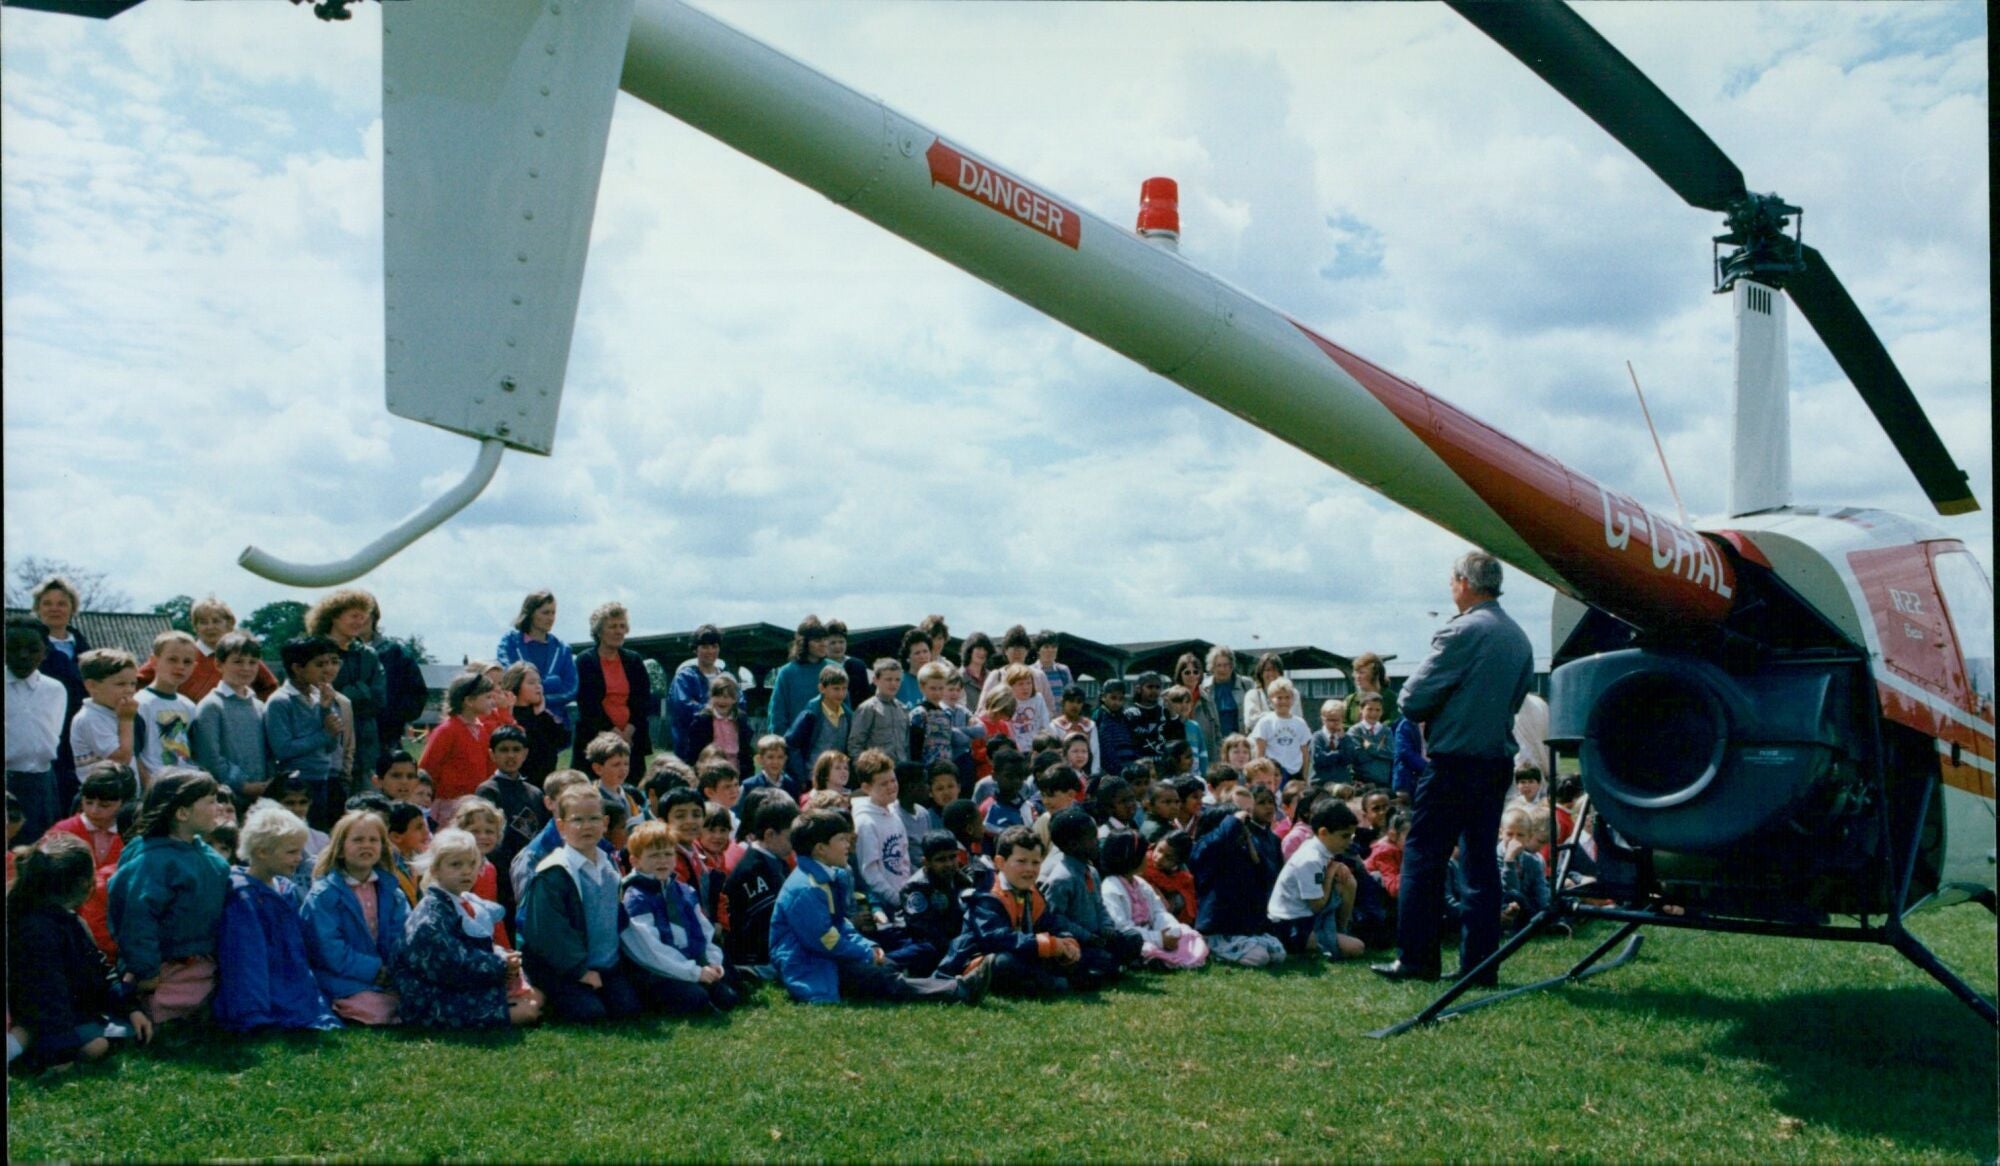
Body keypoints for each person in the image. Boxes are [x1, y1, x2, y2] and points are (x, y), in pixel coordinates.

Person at [1373, 550, 1534, 986]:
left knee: (1424, 857)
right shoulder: (1519, 637)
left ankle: (1417, 959)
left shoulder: (1461, 630)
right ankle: (1480, 966)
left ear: (1464, 582)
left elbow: (1411, 700)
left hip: (1454, 762)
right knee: (1480, 864)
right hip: (1495, 761)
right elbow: (1516, 699)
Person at [768, 809, 990, 1006]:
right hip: (809, 964)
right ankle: (958, 990)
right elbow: (825, 940)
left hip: (824, 957)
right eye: (841, 839)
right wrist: (865, 953)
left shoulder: (826, 877)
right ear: (820, 849)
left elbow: (840, 924)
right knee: (881, 978)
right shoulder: (806, 889)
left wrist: (869, 947)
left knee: (885, 968)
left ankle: (948, 984)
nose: (848, 844)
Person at [7, 833, 153, 1073]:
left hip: (66, 1012)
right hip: (39, 1018)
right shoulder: (36, 930)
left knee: (114, 1034)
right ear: (83, 883)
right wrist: (60, 1052)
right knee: (96, 1045)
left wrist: (131, 1008)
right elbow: (47, 997)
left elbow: (102, 972)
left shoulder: (69, 921)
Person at [106, 770, 231, 1024]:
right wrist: (147, 971)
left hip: (200, 957)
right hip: (167, 965)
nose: (219, 808)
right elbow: (137, 921)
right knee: (166, 1010)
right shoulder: (152, 861)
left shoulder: (200, 852)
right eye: (211, 802)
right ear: (182, 813)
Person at [395, 827, 543, 1028]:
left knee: (536, 997)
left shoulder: (461, 901)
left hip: (457, 986)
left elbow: (471, 947)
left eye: (472, 864)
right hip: (430, 997)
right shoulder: (431, 916)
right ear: (435, 869)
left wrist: (503, 955)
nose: (466, 871)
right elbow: (452, 964)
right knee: (527, 1011)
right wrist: (500, 964)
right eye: (456, 864)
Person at [938, 825, 1112, 996]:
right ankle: (1054, 982)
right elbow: (996, 938)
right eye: (1021, 861)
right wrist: (1049, 945)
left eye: (1035, 862)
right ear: (1000, 863)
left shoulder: (1031, 891)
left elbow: (1051, 922)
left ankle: (1056, 979)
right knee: (1006, 963)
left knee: (1094, 956)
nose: (1030, 869)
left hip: (1022, 951)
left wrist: (1067, 940)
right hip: (981, 959)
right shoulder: (988, 894)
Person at [214, 802, 341, 1032]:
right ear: (262, 852)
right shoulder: (243, 896)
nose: (299, 858)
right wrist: (252, 1012)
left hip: (289, 975)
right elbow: (246, 958)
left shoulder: (284, 888)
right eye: (291, 852)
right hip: (262, 983)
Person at [521, 784, 641, 1022]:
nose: (587, 826)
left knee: (628, 1009)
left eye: (594, 818)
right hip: (564, 966)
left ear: (605, 823)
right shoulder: (554, 872)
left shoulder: (608, 865)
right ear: (561, 826)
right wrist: (580, 970)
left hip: (605, 964)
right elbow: (549, 931)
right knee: (590, 1013)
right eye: (577, 820)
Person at [619, 820, 740, 1015]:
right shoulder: (636, 898)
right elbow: (650, 951)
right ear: (635, 861)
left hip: (688, 963)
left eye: (668, 854)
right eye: (654, 855)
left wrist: (712, 962)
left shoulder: (684, 890)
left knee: (729, 996)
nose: (662, 861)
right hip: (655, 970)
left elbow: (704, 931)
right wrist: (694, 972)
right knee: (696, 998)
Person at [301, 808, 408, 1025]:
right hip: (340, 976)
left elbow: (402, 934)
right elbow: (329, 948)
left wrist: (392, 968)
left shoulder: (391, 891)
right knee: (378, 1008)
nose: (366, 845)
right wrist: (374, 970)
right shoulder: (325, 895)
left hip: (386, 975)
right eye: (358, 840)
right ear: (340, 849)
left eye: (373, 840)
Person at [1038, 808, 1143, 966]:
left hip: (1098, 936)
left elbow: (1100, 905)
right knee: (1100, 960)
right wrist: (1087, 936)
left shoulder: (1092, 872)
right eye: (1093, 838)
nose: (1098, 841)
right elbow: (1056, 920)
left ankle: (1116, 963)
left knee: (1133, 938)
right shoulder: (1062, 879)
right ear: (1073, 845)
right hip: (1078, 941)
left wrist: (1107, 926)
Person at [1189, 801, 1286, 968]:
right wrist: (1235, 819)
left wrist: (1250, 843)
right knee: (1259, 958)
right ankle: (1211, 949)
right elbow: (1219, 839)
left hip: (1245, 927)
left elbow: (1266, 875)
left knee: (1278, 955)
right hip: (1218, 928)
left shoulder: (1242, 850)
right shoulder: (1204, 847)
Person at [264, 636, 346, 829]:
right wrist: (325, 734)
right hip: (295, 786)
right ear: (298, 668)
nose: (326, 670)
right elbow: (283, 749)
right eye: (319, 665)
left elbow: (331, 746)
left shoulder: (320, 696)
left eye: (329, 663)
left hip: (322, 778)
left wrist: (325, 710)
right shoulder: (281, 701)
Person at [306, 590, 387, 785]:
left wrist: (344, 695)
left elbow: (379, 699)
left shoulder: (369, 655)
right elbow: (316, 695)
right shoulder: (313, 651)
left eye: (363, 616)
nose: (360, 622)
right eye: (354, 616)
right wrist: (360, 691)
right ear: (334, 616)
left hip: (365, 748)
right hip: (325, 744)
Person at [1267, 801, 1365, 960]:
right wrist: (1331, 872)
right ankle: (1312, 945)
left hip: (1308, 917)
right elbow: (1316, 906)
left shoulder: (1319, 848)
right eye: (1345, 836)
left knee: (1348, 881)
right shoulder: (1310, 859)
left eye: (1351, 836)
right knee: (1357, 948)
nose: (1349, 842)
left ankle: (1340, 931)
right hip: (1290, 924)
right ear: (1323, 832)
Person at [1098, 830, 1206, 969]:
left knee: (1188, 933)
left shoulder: (1140, 883)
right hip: (1136, 938)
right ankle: (1155, 959)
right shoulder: (1111, 887)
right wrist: (1159, 938)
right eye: (1144, 854)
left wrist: (1171, 930)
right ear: (1134, 859)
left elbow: (1158, 912)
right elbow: (1122, 927)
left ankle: (1164, 957)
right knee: (1140, 946)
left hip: (1154, 934)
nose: (1148, 857)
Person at [31, 576, 94, 813]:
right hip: (45, 727)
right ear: (38, 609)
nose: (54, 609)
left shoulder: (84, 647)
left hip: (80, 729)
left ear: (72, 609)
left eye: (61, 603)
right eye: (47, 603)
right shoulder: (30, 647)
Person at [6, 616, 68, 843]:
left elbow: (52, 735)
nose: (23, 655)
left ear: (45, 652)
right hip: (7, 781)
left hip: (42, 783)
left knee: (41, 849)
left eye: (32, 649)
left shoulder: (55, 689)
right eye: (14, 648)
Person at [720, 797, 797, 977]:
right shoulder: (752, 869)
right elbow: (765, 921)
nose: (795, 844)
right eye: (791, 837)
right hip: (753, 953)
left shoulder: (777, 860)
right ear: (770, 834)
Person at [572, 601, 654, 769]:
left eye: (622, 626)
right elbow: (587, 703)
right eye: (612, 626)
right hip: (595, 740)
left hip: (631, 740)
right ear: (599, 631)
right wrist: (613, 733)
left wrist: (628, 731)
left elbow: (643, 700)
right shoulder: (585, 661)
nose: (619, 631)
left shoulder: (634, 660)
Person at [191, 632, 270, 803]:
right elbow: (209, 758)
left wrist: (268, 783)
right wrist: (243, 785)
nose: (246, 668)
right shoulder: (212, 706)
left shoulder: (259, 706)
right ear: (219, 664)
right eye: (238, 662)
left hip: (262, 795)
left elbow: (268, 752)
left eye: (252, 662)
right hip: (227, 799)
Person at [418, 671, 499, 827]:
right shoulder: (447, 730)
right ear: (469, 701)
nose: (493, 701)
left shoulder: (482, 731)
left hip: (476, 803)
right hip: (449, 806)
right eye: (488, 697)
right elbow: (428, 768)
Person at [497, 590, 580, 731]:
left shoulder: (562, 649)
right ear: (530, 613)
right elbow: (509, 676)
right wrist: (552, 684)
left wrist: (543, 699)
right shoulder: (510, 642)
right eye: (545, 613)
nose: (551, 618)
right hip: (517, 721)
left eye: (553, 613)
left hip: (553, 723)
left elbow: (571, 688)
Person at [849, 749, 912, 912]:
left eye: (893, 780)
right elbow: (870, 872)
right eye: (883, 784)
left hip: (904, 897)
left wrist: (908, 892)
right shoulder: (865, 822)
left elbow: (904, 858)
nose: (891, 786)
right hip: (885, 905)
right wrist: (897, 899)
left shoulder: (894, 812)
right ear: (866, 787)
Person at [767, 616, 838, 737]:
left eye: (825, 639)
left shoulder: (836, 669)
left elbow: (845, 709)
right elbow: (777, 714)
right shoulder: (787, 673)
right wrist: (781, 741)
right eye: (817, 640)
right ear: (803, 643)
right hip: (795, 742)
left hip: (830, 741)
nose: (823, 644)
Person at [497, 662, 566, 785]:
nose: (538, 686)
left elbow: (561, 741)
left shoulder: (542, 714)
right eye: (531, 683)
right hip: (520, 783)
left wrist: (542, 714)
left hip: (546, 783)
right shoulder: (509, 715)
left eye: (539, 682)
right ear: (517, 686)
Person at [782, 665, 851, 787]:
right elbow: (791, 744)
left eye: (844, 689)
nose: (841, 693)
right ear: (822, 688)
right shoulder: (810, 715)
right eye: (836, 689)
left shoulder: (848, 716)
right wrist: (801, 778)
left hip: (838, 781)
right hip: (812, 780)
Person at [666, 624, 728, 757]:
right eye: (704, 646)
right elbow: (684, 708)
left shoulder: (727, 678)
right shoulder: (684, 678)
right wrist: (720, 709)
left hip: (724, 747)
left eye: (714, 646)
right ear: (695, 649)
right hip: (691, 749)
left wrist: (703, 706)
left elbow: (740, 706)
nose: (710, 651)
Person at [679, 672, 753, 772]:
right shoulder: (702, 721)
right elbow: (693, 752)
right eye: (717, 696)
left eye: (726, 697)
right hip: (710, 771)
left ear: (734, 699)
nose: (721, 700)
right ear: (711, 697)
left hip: (735, 771)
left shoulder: (740, 720)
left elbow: (746, 752)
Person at [1249, 677, 1313, 783]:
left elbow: (1305, 753)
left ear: (1292, 699)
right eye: (1279, 698)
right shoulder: (1266, 722)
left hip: (1295, 772)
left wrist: (1305, 776)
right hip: (1274, 772)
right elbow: (1260, 752)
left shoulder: (1300, 723)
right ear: (1270, 700)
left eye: (1287, 697)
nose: (1283, 701)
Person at [849, 660, 914, 764]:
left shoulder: (903, 709)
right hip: (877, 768)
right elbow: (855, 744)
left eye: (897, 680)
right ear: (876, 680)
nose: (893, 683)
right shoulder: (868, 708)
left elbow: (906, 745)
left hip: (901, 767)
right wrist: (864, 768)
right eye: (888, 679)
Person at [1200, 645, 1256, 743]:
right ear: (1212, 667)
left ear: (1231, 666)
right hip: (1216, 744)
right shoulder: (1204, 687)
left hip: (1242, 743)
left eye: (1226, 665)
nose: (1223, 669)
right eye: (1219, 665)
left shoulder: (1246, 684)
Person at [1347, 694, 1396, 788]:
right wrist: (1382, 752)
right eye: (1369, 709)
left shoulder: (1386, 731)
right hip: (1362, 782)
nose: (1374, 714)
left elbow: (1392, 754)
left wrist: (1370, 747)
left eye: (1378, 710)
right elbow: (1358, 757)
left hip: (1384, 783)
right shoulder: (1355, 731)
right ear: (1361, 710)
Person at [1310, 700, 1357, 788]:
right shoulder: (1317, 737)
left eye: (1337, 720)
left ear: (1342, 719)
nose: (1333, 723)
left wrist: (1342, 740)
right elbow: (1319, 759)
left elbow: (1349, 758)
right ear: (1323, 719)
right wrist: (1340, 753)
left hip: (1342, 782)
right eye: (1330, 720)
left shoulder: (1346, 738)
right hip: (1321, 782)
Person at [1345, 652, 1399, 726]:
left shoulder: (1391, 698)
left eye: (1361, 673)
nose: (1357, 677)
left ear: (1375, 675)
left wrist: (1374, 730)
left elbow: (1395, 721)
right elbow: (1342, 723)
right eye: (1356, 673)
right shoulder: (1351, 700)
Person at [1094, 680, 1136, 777]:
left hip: (1128, 767)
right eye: (1113, 698)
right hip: (1112, 771)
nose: (1117, 702)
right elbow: (1105, 748)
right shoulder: (1099, 717)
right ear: (1103, 697)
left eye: (1120, 699)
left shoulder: (1124, 718)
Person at [1030, 631, 1073, 709]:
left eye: (1053, 647)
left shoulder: (1063, 670)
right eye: (1046, 647)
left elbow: (1070, 697)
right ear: (1038, 650)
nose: (1050, 650)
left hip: (1058, 715)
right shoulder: (1030, 672)